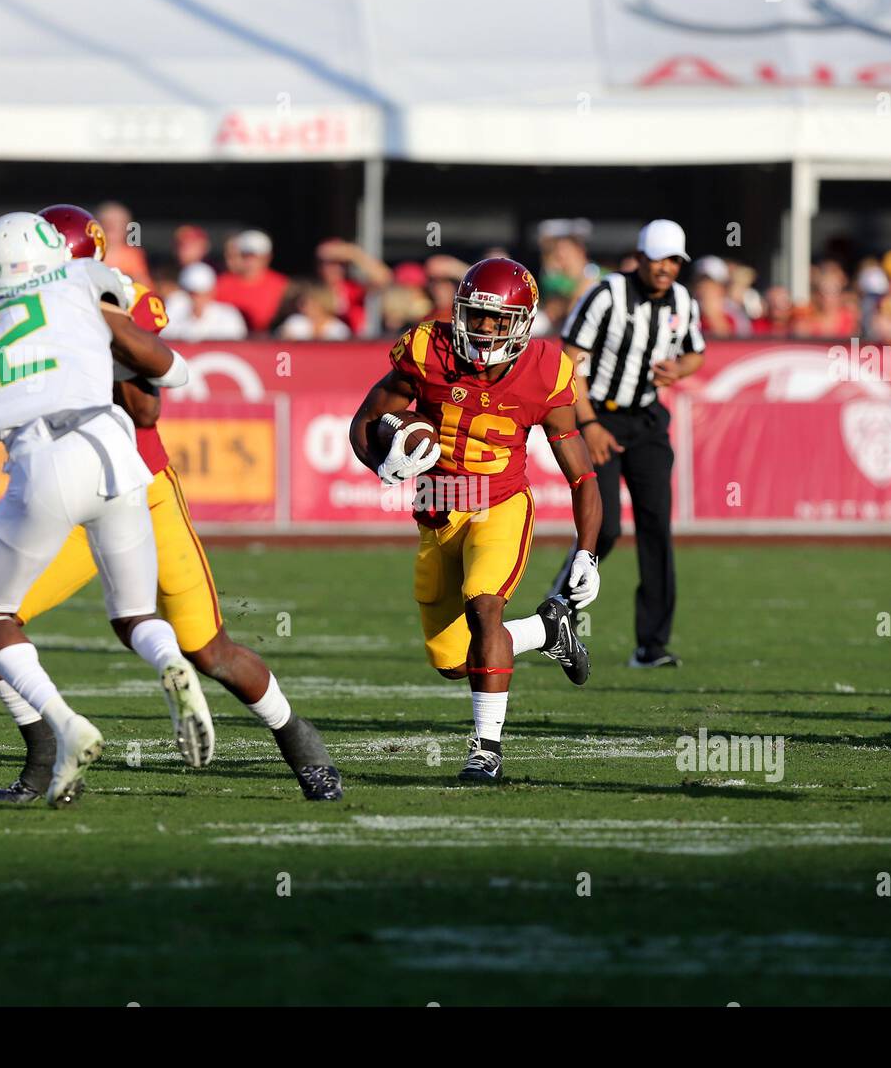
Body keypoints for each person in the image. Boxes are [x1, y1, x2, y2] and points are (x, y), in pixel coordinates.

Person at [0, 203, 340, 805]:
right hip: (109, 483)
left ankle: (301, 746)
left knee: (207, 648)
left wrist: (96, 341)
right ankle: (40, 764)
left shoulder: (107, 298)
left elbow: (147, 409)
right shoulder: (33, 307)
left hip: (138, 483)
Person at [0, 211, 212, 808]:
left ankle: (64, 725)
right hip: (117, 454)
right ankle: (171, 662)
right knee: (136, 616)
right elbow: (173, 370)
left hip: (44, 460)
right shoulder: (87, 282)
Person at [349, 258, 601, 783]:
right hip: (438, 508)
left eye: (496, 320)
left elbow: (581, 475)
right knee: (451, 661)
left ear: (523, 322)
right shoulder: (427, 349)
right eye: (475, 316)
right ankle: (545, 629)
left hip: (501, 505)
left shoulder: (547, 371)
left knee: (484, 604)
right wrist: (381, 462)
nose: (483, 330)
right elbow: (367, 420)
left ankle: (485, 750)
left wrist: (587, 551)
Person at [554, 219, 705, 669]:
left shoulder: (682, 300)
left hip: (647, 420)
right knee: (607, 529)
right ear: (639, 257)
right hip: (599, 414)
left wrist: (680, 370)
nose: (665, 268)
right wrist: (590, 423)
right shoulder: (606, 295)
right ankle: (558, 612)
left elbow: (696, 350)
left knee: (657, 527)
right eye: (658, 258)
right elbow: (571, 360)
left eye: (674, 259)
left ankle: (651, 645)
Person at [213, 229, 289, 334]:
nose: (249, 261)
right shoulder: (222, 284)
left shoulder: (281, 284)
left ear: (267, 257)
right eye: (245, 255)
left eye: (255, 256)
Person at [315, 238, 391, 334]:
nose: (334, 268)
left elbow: (384, 279)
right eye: (328, 263)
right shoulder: (312, 290)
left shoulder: (353, 288)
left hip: (353, 345)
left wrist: (353, 253)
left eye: (340, 264)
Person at [161, 261, 247, 341]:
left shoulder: (229, 316)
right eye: (191, 293)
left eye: (202, 293)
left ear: (212, 292)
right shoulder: (170, 312)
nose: (197, 299)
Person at [95, 201, 152, 285]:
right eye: (106, 222)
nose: (111, 226)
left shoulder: (133, 255)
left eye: (117, 222)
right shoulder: (88, 253)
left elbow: (144, 286)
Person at [278, 282, 351, 340]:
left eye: (310, 303)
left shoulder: (338, 328)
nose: (303, 307)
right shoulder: (296, 321)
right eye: (302, 303)